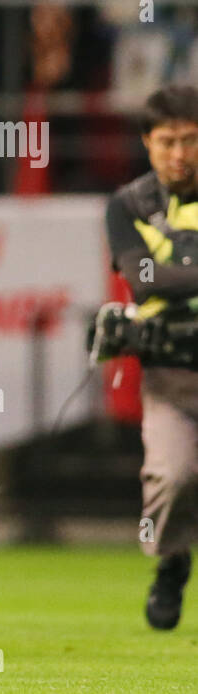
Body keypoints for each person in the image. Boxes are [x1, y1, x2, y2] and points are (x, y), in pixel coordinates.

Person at [104, 84, 198, 630]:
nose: (179, 154)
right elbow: (144, 280)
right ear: (147, 142)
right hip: (170, 371)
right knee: (172, 476)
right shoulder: (129, 204)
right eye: (167, 142)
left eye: (189, 141)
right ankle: (172, 560)